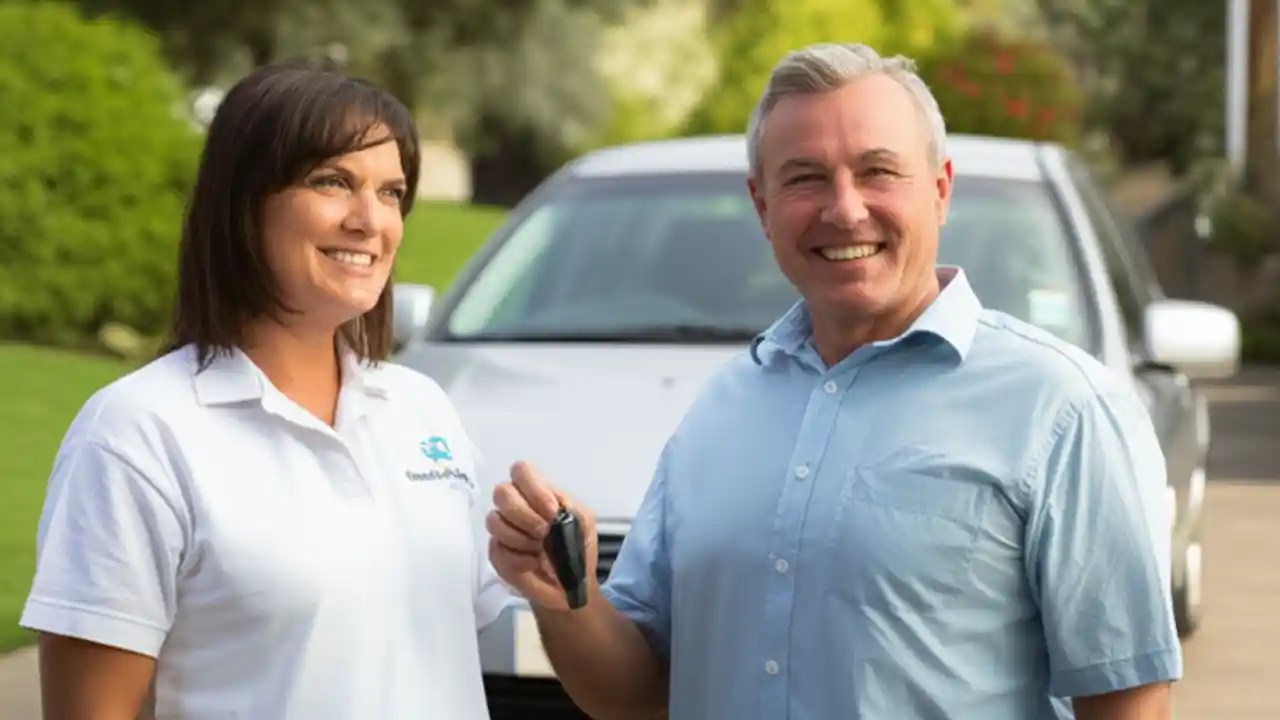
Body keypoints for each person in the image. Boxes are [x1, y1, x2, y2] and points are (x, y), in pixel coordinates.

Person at [487, 42, 1181, 719]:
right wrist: (566, 599)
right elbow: (633, 695)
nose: (844, 209)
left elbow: (1127, 696)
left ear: (940, 190)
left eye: (878, 171)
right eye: (806, 177)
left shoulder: (1061, 408)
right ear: (762, 207)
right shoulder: (724, 408)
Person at [20, 63, 510, 718]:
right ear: (242, 203)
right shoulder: (138, 432)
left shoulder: (423, 409)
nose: (370, 220)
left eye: (391, 192)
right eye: (332, 182)